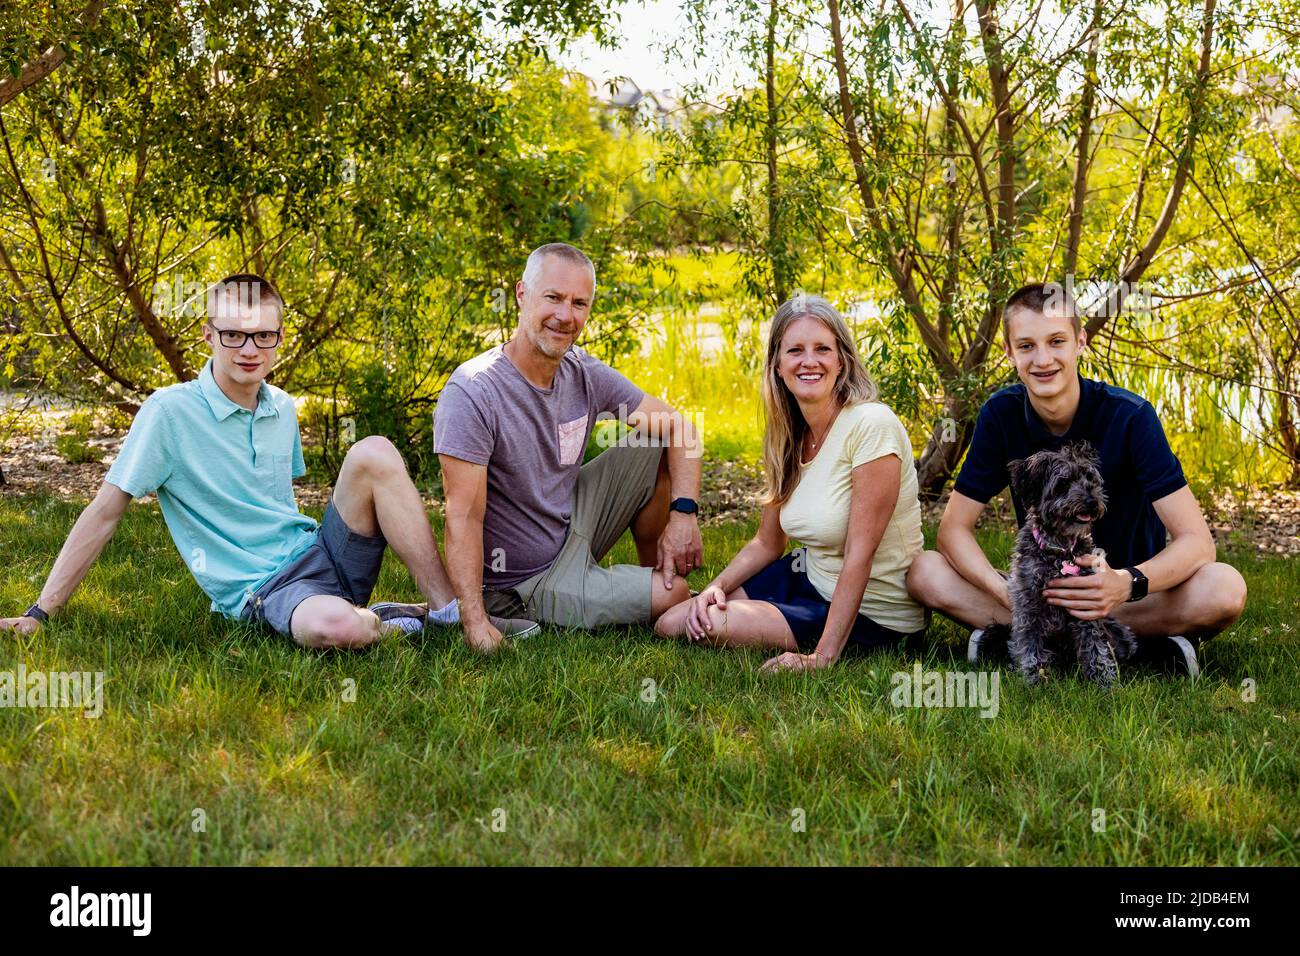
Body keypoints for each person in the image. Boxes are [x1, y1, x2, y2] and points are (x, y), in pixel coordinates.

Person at [0, 273, 533, 650]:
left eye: (262, 335)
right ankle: (385, 618)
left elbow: (280, 503)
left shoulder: (280, 406)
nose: (247, 348)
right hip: (267, 590)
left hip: (321, 555)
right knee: (335, 630)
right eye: (232, 333)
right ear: (208, 335)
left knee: (374, 450)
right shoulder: (168, 413)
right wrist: (40, 612)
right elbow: (104, 514)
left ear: (279, 338)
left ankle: (451, 616)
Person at [906, 283, 1248, 677]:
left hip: (1126, 597)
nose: (1043, 359)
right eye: (1027, 346)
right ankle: (1136, 649)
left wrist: (1125, 583)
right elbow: (952, 532)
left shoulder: (1132, 416)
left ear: (1079, 341)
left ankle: (1029, 643)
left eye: (1056, 341)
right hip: (1044, 594)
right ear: (1009, 352)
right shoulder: (1000, 415)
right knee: (925, 571)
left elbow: (1198, 542)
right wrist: (1007, 592)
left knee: (1224, 587)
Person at [435, 243, 703, 654]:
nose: (566, 315)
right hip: (529, 577)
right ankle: (655, 592)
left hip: (570, 519)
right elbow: (463, 517)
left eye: (579, 303)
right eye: (554, 298)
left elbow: (682, 428)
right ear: (522, 295)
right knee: (675, 596)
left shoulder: (582, 371)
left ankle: (656, 569)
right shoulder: (475, 390)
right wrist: (474, 620)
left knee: (655, 437)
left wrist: (683, 516)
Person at [653, 293, 927, 672]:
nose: (809, 361)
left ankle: (795, 627)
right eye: (795, 350)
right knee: (673, 621)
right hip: (806, 575)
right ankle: (761, 610)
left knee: (710, 624)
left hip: (872, 610)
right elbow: (769, 541)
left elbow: (859, 556)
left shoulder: (870, 425)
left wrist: (822, 657)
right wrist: (717, 585)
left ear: (842, 360)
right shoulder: (789, 433)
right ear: (778, 365)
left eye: (822, 349)